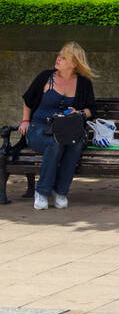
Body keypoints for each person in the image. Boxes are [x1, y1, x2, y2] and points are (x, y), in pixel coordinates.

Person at [18, 42, 97, 210]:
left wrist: (80, 113)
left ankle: (60, 191)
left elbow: (92, 109)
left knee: (75, 145)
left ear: (74, 63)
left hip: (67, 129)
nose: (58, 59)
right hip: (39, 128)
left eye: (63, 57)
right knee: (55, 143)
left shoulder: (83, 84)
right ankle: (42, 191)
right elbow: (28, 100)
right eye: (59, 55)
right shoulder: (45, 77)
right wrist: (25, 121)